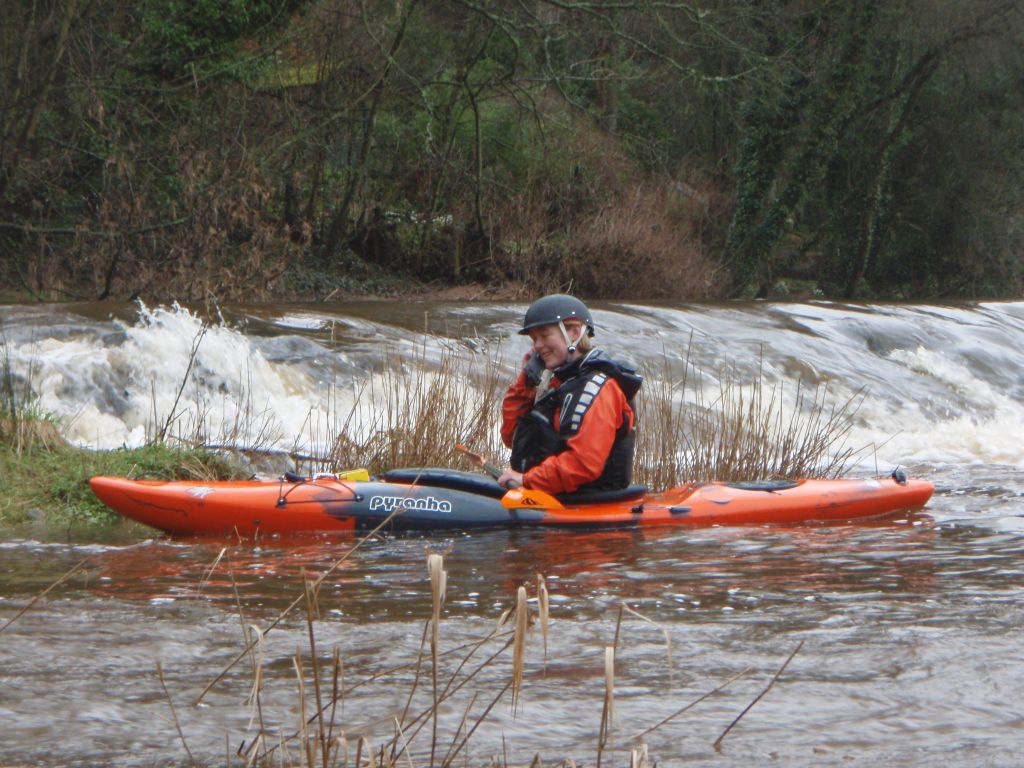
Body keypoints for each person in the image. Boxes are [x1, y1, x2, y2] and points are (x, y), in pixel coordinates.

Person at [496, 294, 642, 494]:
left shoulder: (599, 388)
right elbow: (511, 438)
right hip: (546, 494)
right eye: (534, 339)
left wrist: (526, 480)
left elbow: (583, 464)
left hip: (587, 505)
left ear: (574, 332)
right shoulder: (561, 383)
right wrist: (527, 383)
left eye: (545, 335)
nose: (537, 346)